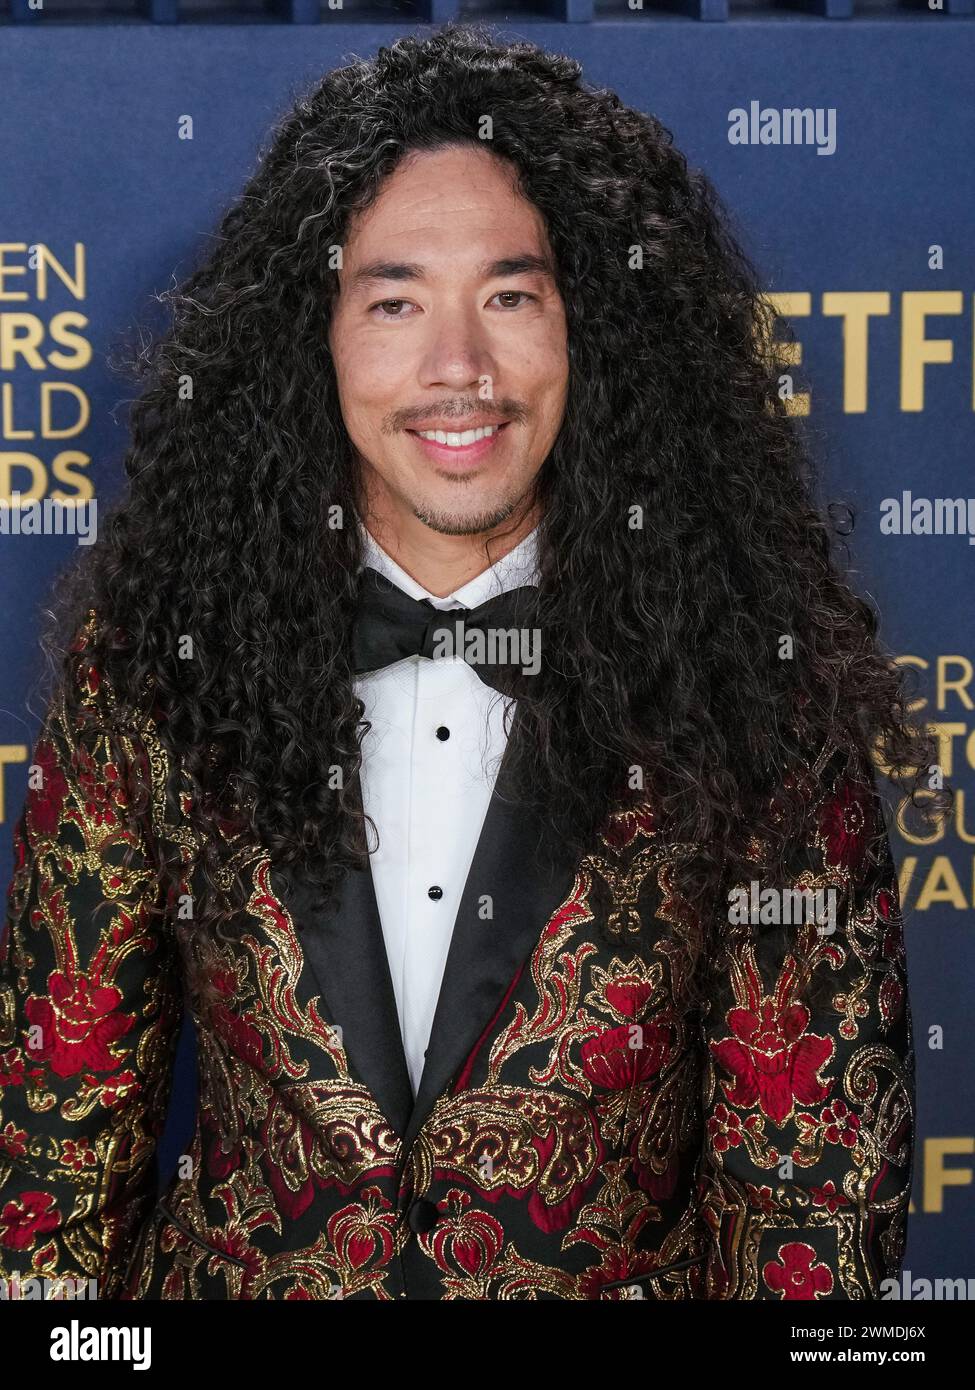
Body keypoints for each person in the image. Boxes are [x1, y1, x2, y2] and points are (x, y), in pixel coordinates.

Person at [0, 23, 942, 1301]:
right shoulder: (156, 673)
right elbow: (55, 1162)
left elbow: (812, 1221)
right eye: (395, 301)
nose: (460, 370)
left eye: (510, 297)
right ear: (312, 337)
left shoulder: (753, 697)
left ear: (591, 327)